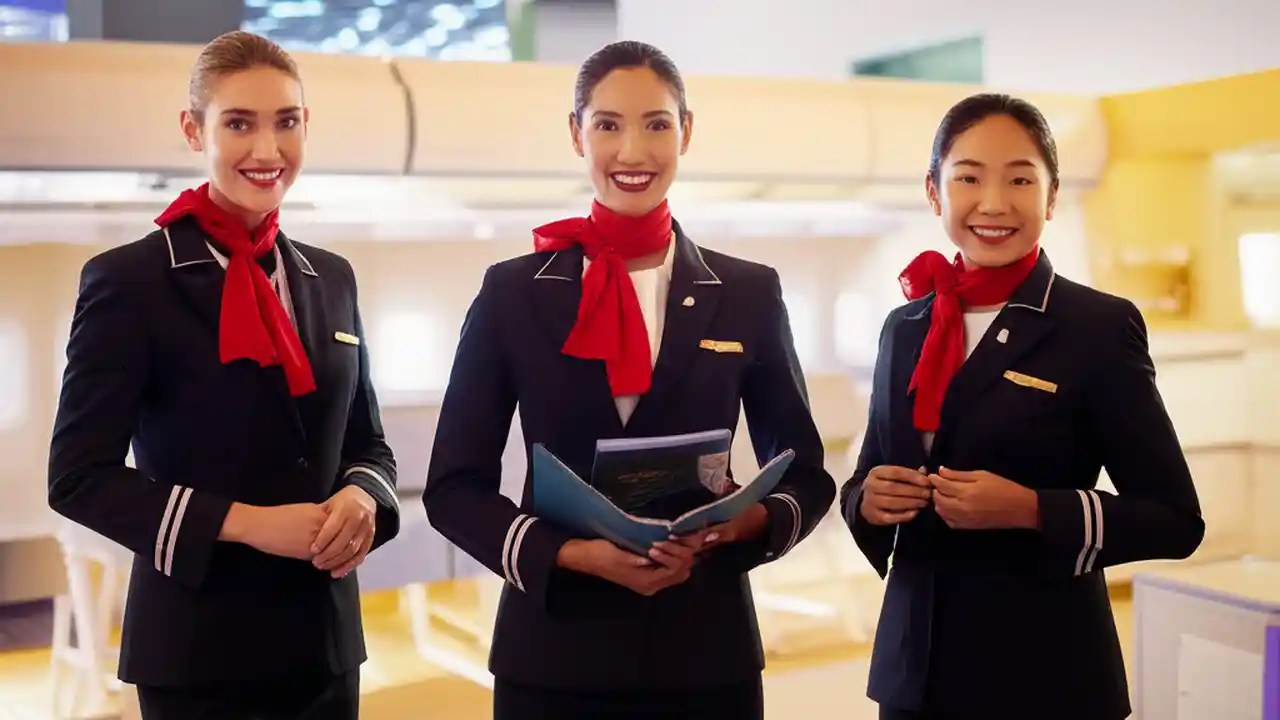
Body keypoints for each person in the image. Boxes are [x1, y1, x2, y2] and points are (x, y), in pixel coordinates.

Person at [424, 40, 835, 720]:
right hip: (553, 657)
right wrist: (574, 555)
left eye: (657, 123)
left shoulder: (747, 293)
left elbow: (807, 475)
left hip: (706, 654)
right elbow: (453, 489)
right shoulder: (513, 294)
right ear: (575, 133)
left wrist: (747, 524)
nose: (633, 151)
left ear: (687, 131)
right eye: (608, 125)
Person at [47, 30, 398, 720]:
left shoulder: (330, 278)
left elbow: (369, 445)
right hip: (198, 651)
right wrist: (251, 525)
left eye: (286, 122)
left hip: (324, 643)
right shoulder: (132, 282)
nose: (267, 151)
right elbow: (78, 478)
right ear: (193, 129)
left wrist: (362, 499)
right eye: (239, 123)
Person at [840, 93, 1205, 720]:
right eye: (968, 178)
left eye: (1020, 179)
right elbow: (868, 476)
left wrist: (1034, 509)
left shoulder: (1095, 326)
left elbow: (1175, 519)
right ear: (934, 191)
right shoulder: (906, 325)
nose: (993, 203)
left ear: (1052, 196)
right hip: (915, 676)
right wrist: (867, 500)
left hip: (1045, 675)